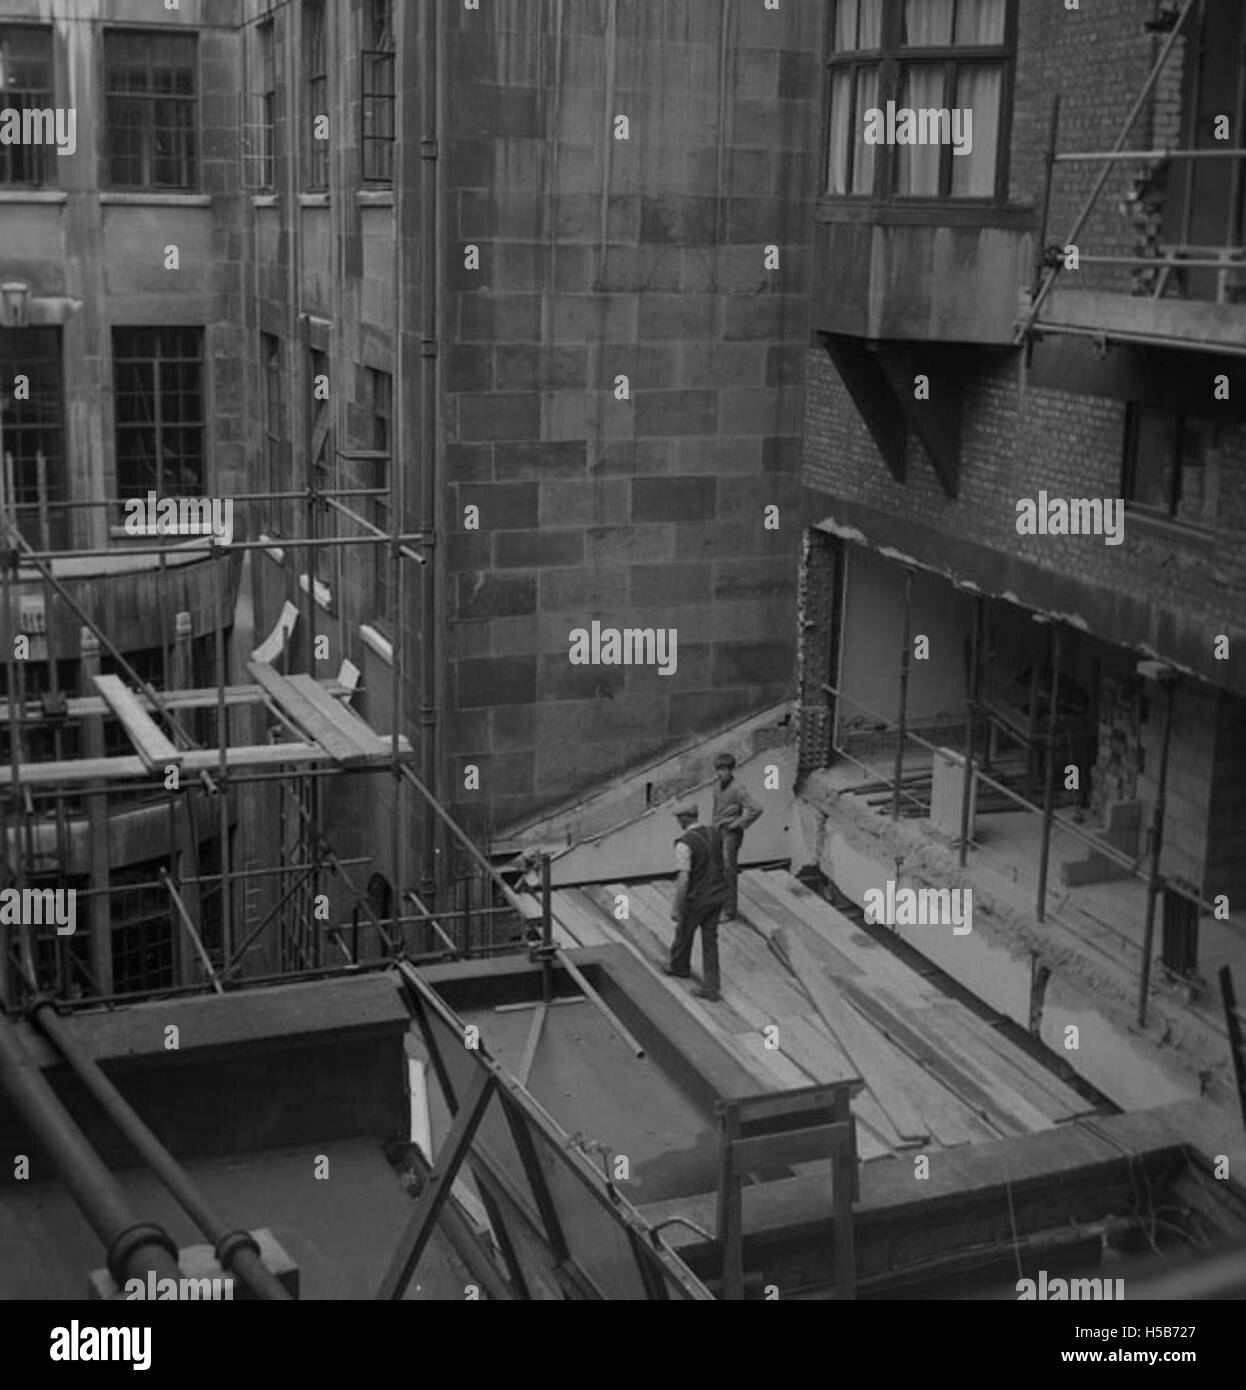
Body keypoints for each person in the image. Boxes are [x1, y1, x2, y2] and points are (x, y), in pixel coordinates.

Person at [664, 802, 727, 1002]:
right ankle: (712, 986)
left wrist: (677, 907)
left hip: (698, 898)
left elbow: (683, 880)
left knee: (684, 931)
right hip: (717, 893)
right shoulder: (715, 833)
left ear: (684, 818)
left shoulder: (684, 843)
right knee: (710, 941)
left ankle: (679, 967)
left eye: (678, 818)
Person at [711, 753, 761, 921]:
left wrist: (738, 823)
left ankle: (729, 910)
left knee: (728, 871)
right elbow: (716, 809)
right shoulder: (716, 787)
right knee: (717, 870)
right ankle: (719, 905)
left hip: (731, 834)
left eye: (724, 769)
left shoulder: (738, 788)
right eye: (718, 770)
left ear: (731, 770)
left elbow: (756, 808)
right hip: (718, 831)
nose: (720, 773)